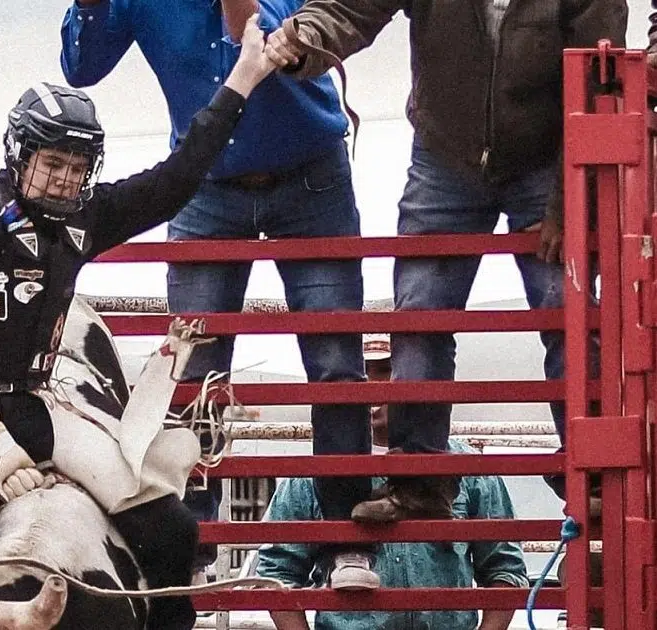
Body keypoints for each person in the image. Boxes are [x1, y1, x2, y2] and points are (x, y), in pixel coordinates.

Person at [0, 16, 275, 630]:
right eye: (53, 162)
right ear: (19, 154)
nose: (67, 178)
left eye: (79, 166)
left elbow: (175, 180)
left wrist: (243, 76)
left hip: (35, 402)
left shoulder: (83, 217)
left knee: (170, 528)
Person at [264, 0, 627, 519]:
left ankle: (590, 472)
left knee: (564, 305)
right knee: (420, 311)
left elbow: (598, 75)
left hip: (546, 157)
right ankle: (418, 479)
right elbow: (354, 8)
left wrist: (569, 197)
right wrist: (305, 36)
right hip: (446, 154)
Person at [60, 0, 376, 591]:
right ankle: (189, 540)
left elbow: (257, 33)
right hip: (207, 180)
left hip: (310, 174)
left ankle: (346, 543)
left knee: (335, 363)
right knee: (194, 371)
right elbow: (82, 67)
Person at [257, 334, 529, 630]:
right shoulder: (312, 476)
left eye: (385, 371)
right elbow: (276, 573)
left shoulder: (468, 467)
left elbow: (504, 568)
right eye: (363, 374)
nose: (372, 387)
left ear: (410, 375)